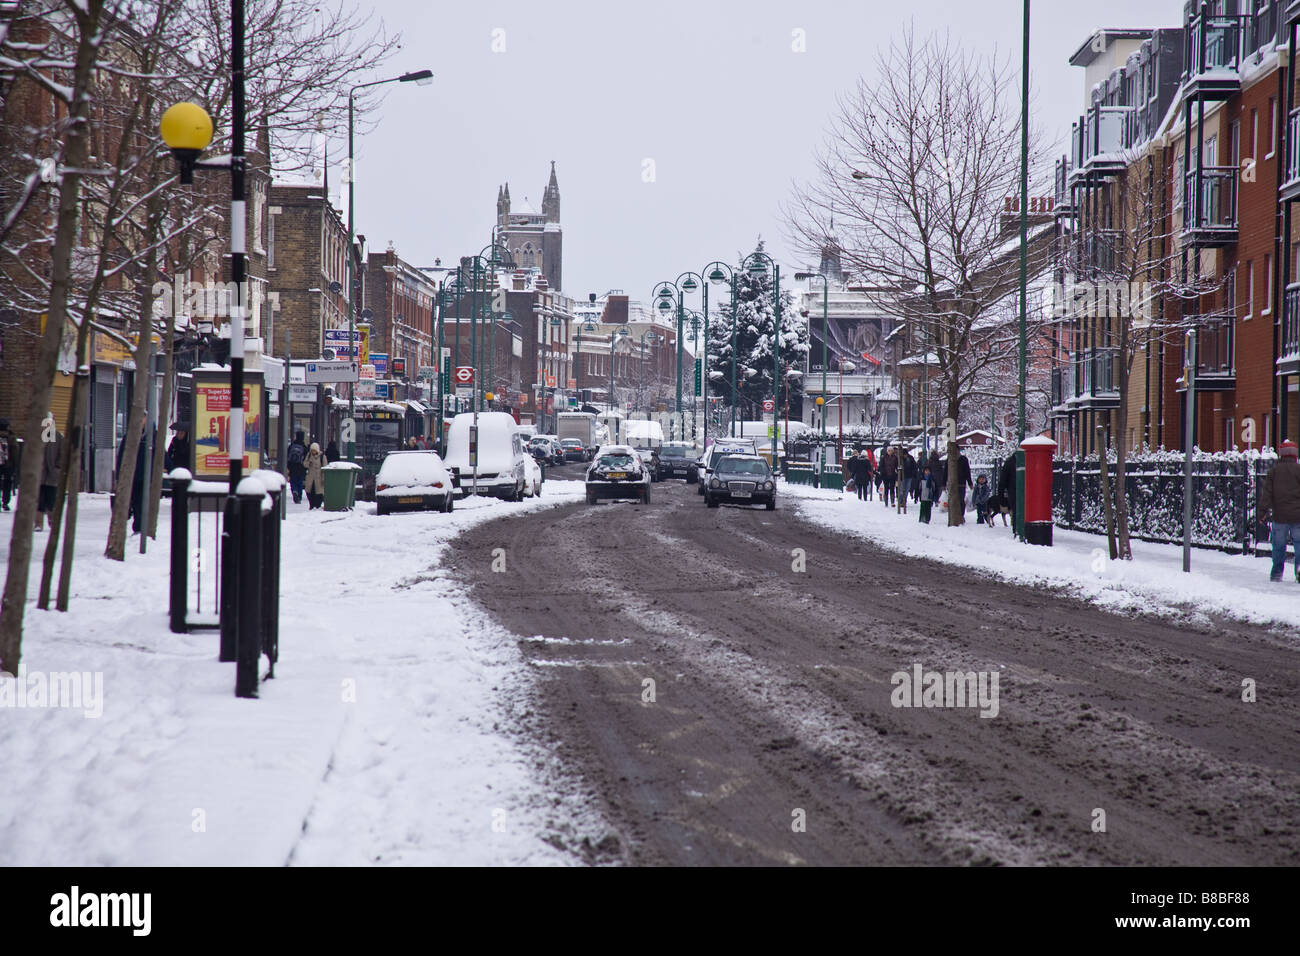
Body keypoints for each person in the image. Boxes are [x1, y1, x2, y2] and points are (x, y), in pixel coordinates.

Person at [1261, 439, 1300, 582]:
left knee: (1278, 546)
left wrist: (1262, 512)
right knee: (1299, 545)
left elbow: (1267, 494)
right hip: (1298, 516)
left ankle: (1277, 573)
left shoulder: (1274, 472)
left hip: (1280, 516)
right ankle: (1299, 569)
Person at [34, 418, 62, 532]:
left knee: (51, 500)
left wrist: (58, 468)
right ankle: (38, 524)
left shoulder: (58, 436)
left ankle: (53, 522)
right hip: (40, 474)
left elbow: (62, 453)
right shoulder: (38, 435)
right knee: (39, 500)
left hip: (52, 475)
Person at [0, 417, 19, 511]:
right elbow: (15, 451)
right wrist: (15, 464)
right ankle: (5, 502)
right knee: (7, 484)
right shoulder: (11, 436)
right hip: (8, 465)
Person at [286, 430, 308, 504]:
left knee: (293, 481)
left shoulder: (292, 446)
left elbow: (288, 456)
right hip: (301, 467)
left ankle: (294, 491)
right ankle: (299, 495)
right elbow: (306, 458)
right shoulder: (304, 447)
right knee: (300, 482)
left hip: (292, 467)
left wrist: (288, 466)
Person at [304, 442, 327, 509]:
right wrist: (308, 463)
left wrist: (323, 478)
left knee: (319, 493)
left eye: (314, 450)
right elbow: (304, 463)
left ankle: (317, 506)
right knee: (309, 492)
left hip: (319, 478)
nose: (313, 452)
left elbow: (325, 468)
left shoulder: (322, 457)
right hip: (310, 478)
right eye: (312, 450)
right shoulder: (309, 455)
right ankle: (311, 505)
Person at [998, 453, 1017, 529]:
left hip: (1012, 491)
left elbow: (1003, 480)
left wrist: (1001, 495)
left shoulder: (1009, 461)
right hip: (1014, 491)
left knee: (1016, 511)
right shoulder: (1010, 462)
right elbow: (1003, 480)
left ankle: (1016, 529)